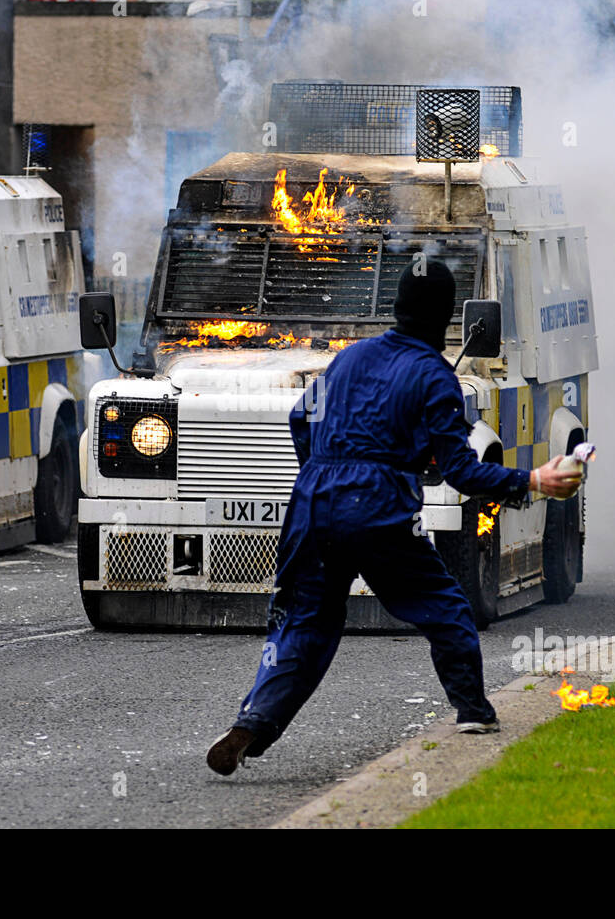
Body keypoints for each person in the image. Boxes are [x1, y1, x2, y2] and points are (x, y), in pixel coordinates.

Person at [207, 258, 584, 776]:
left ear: (396, 307)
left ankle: (254, 720)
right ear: (448, 316)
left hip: (313, 498)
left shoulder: (349, 357)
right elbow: (463, 472)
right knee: (444, 604)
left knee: (304, 621)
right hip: (378, 502)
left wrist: (323, 475)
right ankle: (473, 711)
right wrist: (533, 481)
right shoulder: (434, 376)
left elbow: (300, 419)